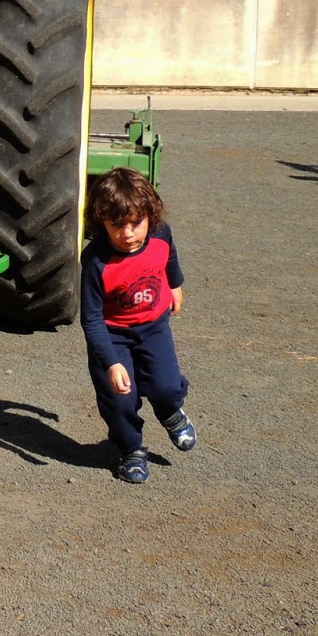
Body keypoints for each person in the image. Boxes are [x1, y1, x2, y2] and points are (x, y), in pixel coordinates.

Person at [80, 167, 198, 485]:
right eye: (117, 226)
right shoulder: (95, 261)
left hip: (153, 325)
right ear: (101, 222)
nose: (128, 233)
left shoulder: (161, 234)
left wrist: (175, 285)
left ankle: (171, 412)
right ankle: (130, 448)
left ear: (150, 214)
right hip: (113, 335)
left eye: (136, 223)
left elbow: (169, 258)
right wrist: (111, 361)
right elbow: (90, 318)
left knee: (167, 385)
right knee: (119, 398)